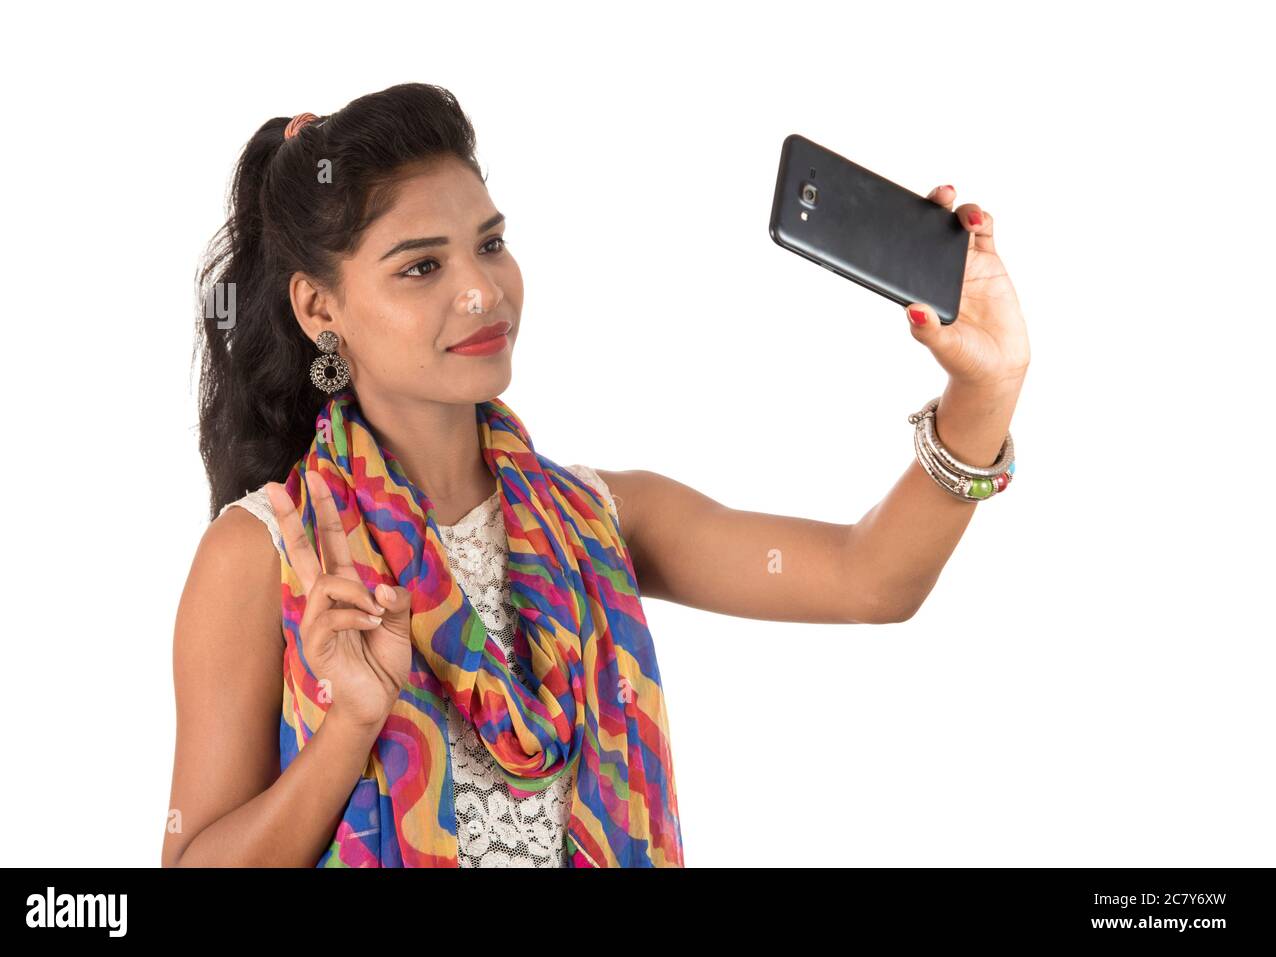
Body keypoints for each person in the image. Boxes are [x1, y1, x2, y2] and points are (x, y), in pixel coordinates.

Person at [163, 82, 1030, 868]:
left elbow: (869, 578)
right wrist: (347, 726)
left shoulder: (600, 518)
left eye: (490, 244)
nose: (481, 292)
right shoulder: (270, 553)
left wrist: (984, 388)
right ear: (320, 309)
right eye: (422, 266)